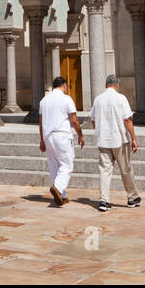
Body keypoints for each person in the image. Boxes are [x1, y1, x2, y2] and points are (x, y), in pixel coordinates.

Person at [90, 74, 141, 212]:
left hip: (103, 140)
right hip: (119, 139)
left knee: (105, 171)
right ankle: (132, 197)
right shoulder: (120, 98)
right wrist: (134, 138)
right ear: (117, 85)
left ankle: (104, 200)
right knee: (125, 169)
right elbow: (128, 120)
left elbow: (93, 120)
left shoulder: (98, 99)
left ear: (106, 85)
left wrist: (100, 131)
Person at [38, 76, 83, 206]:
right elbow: (74, 120)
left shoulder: (44, 101)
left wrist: (41, 139)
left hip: (48, 137)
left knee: (54, 166)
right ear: (64, 86)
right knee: (67, 165)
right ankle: (57, 188)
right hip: (62, 136)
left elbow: (41, 123)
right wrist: (80, 134)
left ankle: (62, 196)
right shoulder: (66, 99)